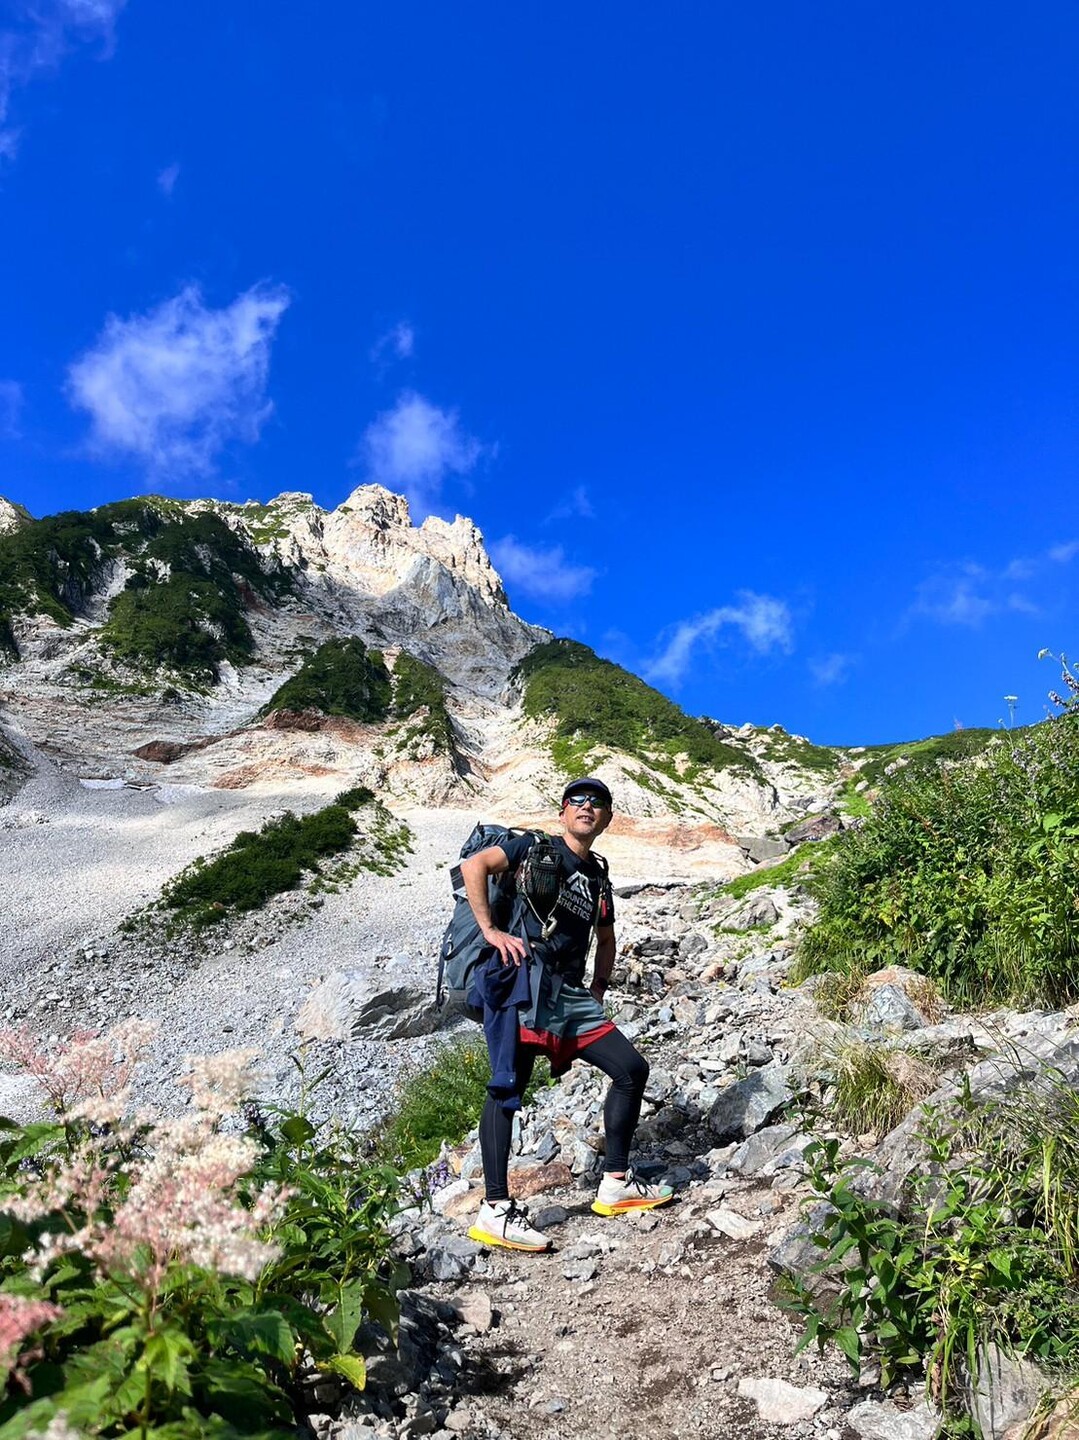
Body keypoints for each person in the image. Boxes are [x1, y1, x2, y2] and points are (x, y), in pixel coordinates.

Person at [460, 777, 673, 1252]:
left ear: (607, 818)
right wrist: (491, 930)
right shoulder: (531, 848)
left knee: (631, 1069)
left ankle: (615, 1184)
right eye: (577, 800)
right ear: (563, 812)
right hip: (522, 979)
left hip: (569, 992)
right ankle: (495, 1209)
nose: (586, 806)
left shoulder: (598, 876)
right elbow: (474, 865)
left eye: (597, 802)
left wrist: (598, 987)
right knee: (507, 1086)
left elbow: (607, 938)